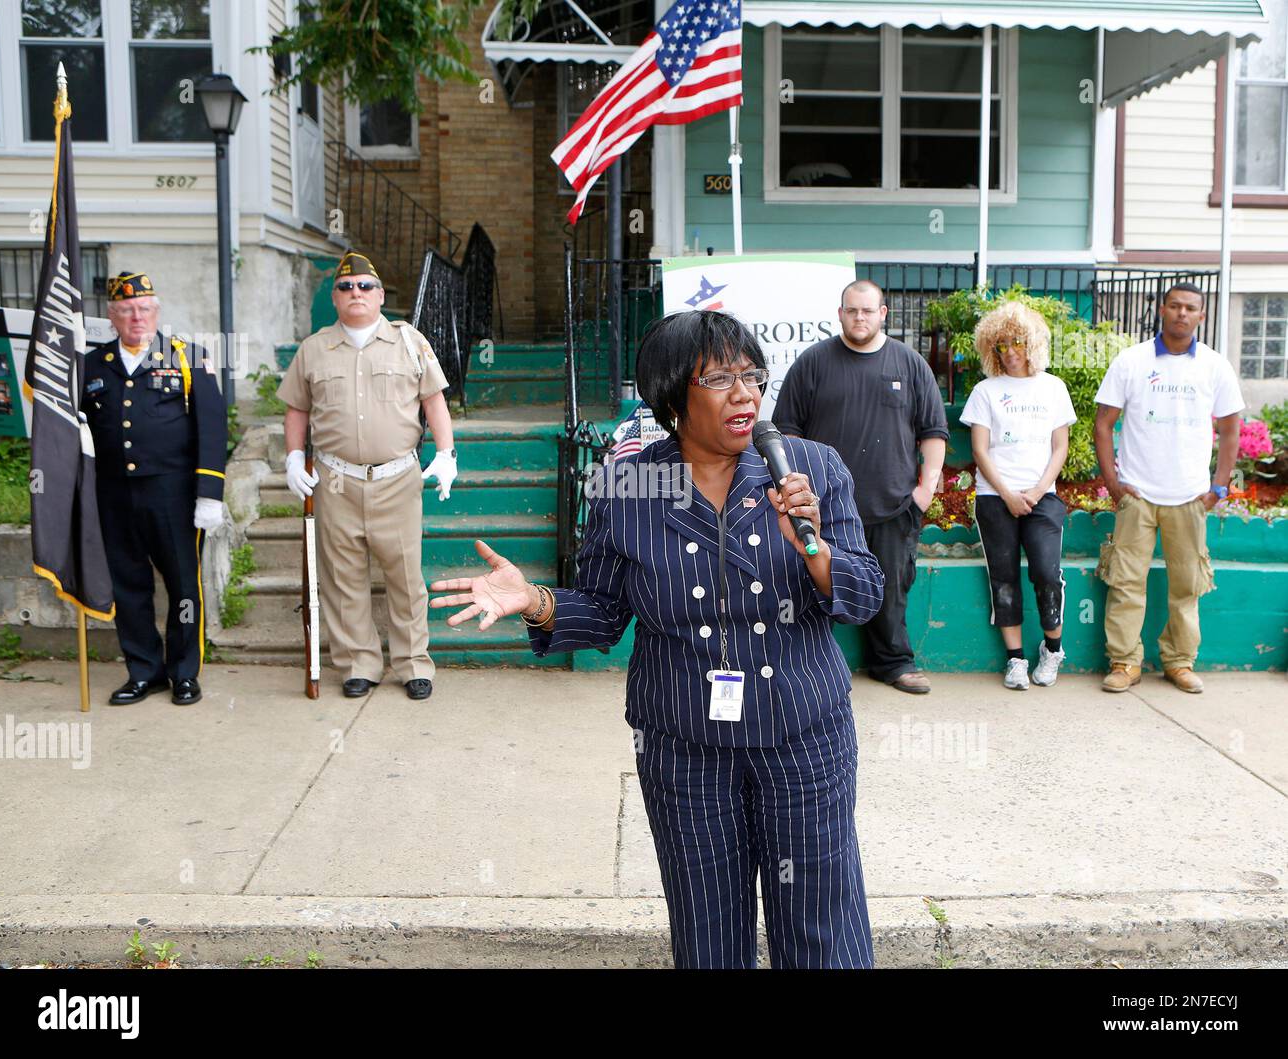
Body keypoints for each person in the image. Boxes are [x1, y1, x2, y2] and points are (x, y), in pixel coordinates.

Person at [432, 310, 886, 969]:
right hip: (686, 749)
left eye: (752, 375)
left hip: (802, 739)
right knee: (707, 931)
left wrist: (813, 550)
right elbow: (606, 610)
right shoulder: (629, 484)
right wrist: (535, 601)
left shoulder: (810, 466)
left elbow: (865, 591)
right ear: (673, 399)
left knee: (822, 928)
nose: (746, 393)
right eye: (721, 377)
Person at [276, 250, 457, 701]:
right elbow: (297, 408)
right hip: (335, 480)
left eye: (365, 286)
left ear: (380, 296)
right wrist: (294, 457)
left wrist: (447, 453)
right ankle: (358, 663)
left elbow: (433, 401)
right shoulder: (313, 349)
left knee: (405, 578)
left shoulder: (410, 342)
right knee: (343, 578)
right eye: (345, 287)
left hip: (397, 479)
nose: (355, 293)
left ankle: (413, 663)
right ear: (335, 298)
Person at [773, 278, 948, 694]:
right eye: (852, 310)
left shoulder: (909, 364)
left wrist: (925, 491)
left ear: (882, 314)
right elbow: (787, 431)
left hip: (892, 503)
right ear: (840, 314)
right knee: (812, 581)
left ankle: (894, 663)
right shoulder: (814, 362)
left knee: (891, 586)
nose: (860, 317)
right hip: (825, 505)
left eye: (868, 310)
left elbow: (934, 432)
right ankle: (804, 666)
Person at [82, 271, 227, 705]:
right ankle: (143, 670)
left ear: (156, 312)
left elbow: (212, 429)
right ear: (112, 317)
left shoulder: (186, 358)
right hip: (114, 494)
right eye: (126, 310)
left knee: (183, 584)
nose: (136, 317)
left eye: (144, 308)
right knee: (128, 584)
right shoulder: (92, 365)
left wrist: (210, 493)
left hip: (173, 494)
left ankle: (184, 672)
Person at [1093, 282, 1244, 694]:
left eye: (1190, 308)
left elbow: (1231, 430)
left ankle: (1179, 661)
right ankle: (1125, 662)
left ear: (1201, 315)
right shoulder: (1131, 361)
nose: (1181, 313)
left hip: (1190, 496)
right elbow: (1103, 424)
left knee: (1187, 586)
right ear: (1162, 310)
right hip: (1137, 494)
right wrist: (1113, 481)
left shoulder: (1215, 366)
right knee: (1126, 583)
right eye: (1174, 306)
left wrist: (1219, 487)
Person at [961, 302, 1076, 690]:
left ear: (1033, 344)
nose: (1010, 351)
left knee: (1046, 573)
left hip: (1043, 497)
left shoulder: (1053, 387)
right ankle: (1015, 661)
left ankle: (1053, 649)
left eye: (1017, 342)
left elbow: (1060, 447)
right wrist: (1008, 494)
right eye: (1001, 344)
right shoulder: (986, 391)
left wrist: (1039, 490)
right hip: (996, 497)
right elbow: (980, 449)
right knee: (1004, 578)